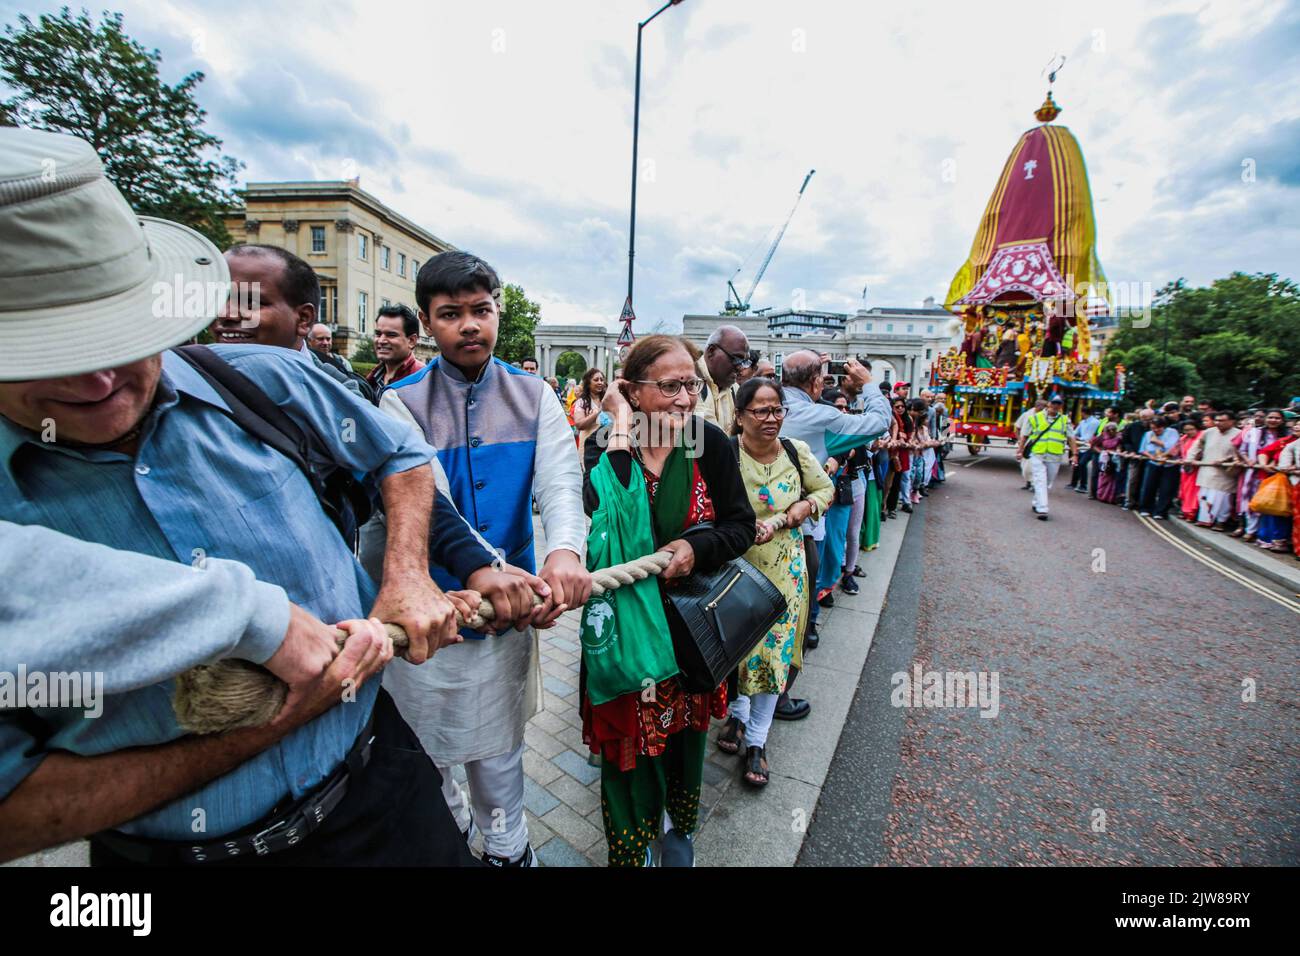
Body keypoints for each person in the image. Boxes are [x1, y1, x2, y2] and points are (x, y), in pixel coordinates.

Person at [0, 126, 476, 866]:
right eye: (50, 355)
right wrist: (276, 720)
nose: (98, 382)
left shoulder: (265, 379)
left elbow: (403, 455)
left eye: (118, 337)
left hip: (381, 798)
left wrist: (409, 572)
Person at [368, 251, 590, 868]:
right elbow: (427, 507)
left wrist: (566, 551)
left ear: (497, 313)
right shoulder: (399, 402)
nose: (469, 325)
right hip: (429, 611)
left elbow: (560, 483)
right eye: (451, 314)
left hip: (509, 611)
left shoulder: (535, 393)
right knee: (425, 746)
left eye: (481, 310)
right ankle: (452, 827)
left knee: (498, 748)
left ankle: (508, 849)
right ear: (426, 322)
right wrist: (492, 576)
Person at [579, 334, 754, 866]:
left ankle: (677, 829)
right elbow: (612, 517)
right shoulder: (603, 448)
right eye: (670, 387)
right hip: (629, 630)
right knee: (629, 747)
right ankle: (631, 848)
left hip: (690, 633)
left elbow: (740, 527)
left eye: (692, 386)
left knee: (683, 739)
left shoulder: (709, 443)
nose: (685, 400)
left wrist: (695, 548)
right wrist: (621, 428)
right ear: (630, 391)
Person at [717, 377, 833, 787]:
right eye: (760, 411)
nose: (771, 419)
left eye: (777, 409)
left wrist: (805, 505)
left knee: (773, 656)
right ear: (740, 415)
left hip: (786, 573)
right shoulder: (725, 455)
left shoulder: (796, 452)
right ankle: (736, 717)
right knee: (737, 654)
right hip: (734, 573)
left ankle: (758, 742)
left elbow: (825, 489)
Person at [779, 349, 890, 712]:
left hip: (755, 527)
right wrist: (868, 386)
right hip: (799, 530)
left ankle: (740, 709)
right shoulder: (821, 417)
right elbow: (877, 424)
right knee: (793, 616)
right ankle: (776, 696)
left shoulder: (759, 405)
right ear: (816, 383)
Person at [211, 244, 373, 401]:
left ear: (304, 319)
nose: (226, 314)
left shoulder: (341, 399)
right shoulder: (191, 379)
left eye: (250, 302)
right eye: (219, 299)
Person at [1017, 395, 1078, 520]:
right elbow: (1025, 436)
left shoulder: (1065, 420)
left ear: (1061, 406)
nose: (1056, 406)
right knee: (1040, 480)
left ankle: (1037, 502)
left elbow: (1071, 438)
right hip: (1037, 453)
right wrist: (1020, 450)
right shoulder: (1035, 418)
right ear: (1048, 404)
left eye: (1059, 404)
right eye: (1054, 403)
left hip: (1054, 455)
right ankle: (1043, 509)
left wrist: (1075, 454)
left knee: (1048, 481)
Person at [1231, 409, 1285, 541]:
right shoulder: (1255, 432)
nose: (1273, 420)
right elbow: (1242, 450)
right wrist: (1248, 460)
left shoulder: (1285, 436)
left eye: (1277, 418)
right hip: (1254, 471)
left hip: (1275, 473)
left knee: (1269, 501)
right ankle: (1250, 530)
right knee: (1251, 499)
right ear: (1266, 419)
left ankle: (1263, 533)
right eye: (1271, 417)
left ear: (1282, 421)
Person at [695, 324, 750, 433]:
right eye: (735, 358)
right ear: (711, 351)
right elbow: (704, 438)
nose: (740, 367)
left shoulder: (734, 388)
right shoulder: (688, 384)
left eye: (744, 362)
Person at [1192, 410, 1241, 530]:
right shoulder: (1209, 432)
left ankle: (1220, 522)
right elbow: (1197, 446)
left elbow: (1241, 453)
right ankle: (1204, 520)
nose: (1218, 423)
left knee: (1222, 498)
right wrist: (1190, 458)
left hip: (1225, 473)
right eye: (1217, 420)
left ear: (1232, 421)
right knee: (1205, 496)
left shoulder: (1240, 434)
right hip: (1207, 470)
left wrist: (1227, 459)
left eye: (1222, 420)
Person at [1253, 425, 1297, 553]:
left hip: (1293, 481)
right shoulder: (1285, 441)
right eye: (1297, 424)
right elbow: (1264, 452)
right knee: (1276, 509)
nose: (1297, 427)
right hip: (1281, 481)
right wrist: (1264, 464)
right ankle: (1275, 540)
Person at [367, 303, 426, 392]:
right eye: (378, 334)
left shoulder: (422, 380)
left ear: (411, 341)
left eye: (391, 335)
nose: (381, 341)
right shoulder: (374, 378)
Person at [1136, 415, 1181, 519]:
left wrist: (1157, 442)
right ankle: (1145, 508)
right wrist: (1151, 456)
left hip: (1169, 464)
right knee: (1149, 486)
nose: (1155, 430)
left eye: (1158, 428)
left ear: (1164, 427)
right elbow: (1142, 449)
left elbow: (1172, 447)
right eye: (1153, 428)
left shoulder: (1172, 432)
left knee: (1166, 488)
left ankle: (1160, 512)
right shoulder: (1148, 434)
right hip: (1153, 462)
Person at [1120, 408, 1155, 510]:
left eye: (1148, 418)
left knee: (1146, 481)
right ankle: (1129, 501)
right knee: (1132, 480)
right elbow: (1126, 440)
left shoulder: (1154, 427)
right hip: (1135, 457)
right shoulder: (1132, 426)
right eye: (1143, 417)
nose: (1146, 420)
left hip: (1150, 458)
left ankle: (1142, 502)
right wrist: (1131, 452)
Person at [571, 367, 609, 455]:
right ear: (588, 383)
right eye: (596, 380)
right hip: (589, 449)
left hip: (607, 448)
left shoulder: (607, 400)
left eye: (601, 380)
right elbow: (579, 425)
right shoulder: (582, 402)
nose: (600, 382)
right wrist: (596, 413)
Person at [1015, 399, 1048, 490]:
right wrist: (1019, 440)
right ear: (1036, 406)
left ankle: (1034, 484)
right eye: (1040, 406)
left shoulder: (1047, 417)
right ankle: (1029, 482)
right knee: (1025, 465)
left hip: (1039, 444)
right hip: (1026, 443)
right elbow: (1017, 427)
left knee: (1035, 464)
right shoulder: (1027, 415)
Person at [1174, 419, 1203, 520]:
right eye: (1186, 430)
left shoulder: (1202, 437)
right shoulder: (1184, 438)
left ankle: (1191, 513)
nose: (1189, 432)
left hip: (1196, 469)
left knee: (1193, 491)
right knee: (1184, 490)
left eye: (1191, 429)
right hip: (1185, 468)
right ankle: (1185, 510)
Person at [1092, 422, 1124, 504]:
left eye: (1114, 430)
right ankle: (1100, 495)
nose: (1112, 431)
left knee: (1112, 479)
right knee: (1103, 476)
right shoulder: (1102, 436)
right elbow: (1094, 445)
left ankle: (1110, 498)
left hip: (1113, 460)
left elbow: (1119, 447)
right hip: (1104, 459)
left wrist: (1117, 452)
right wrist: (1102, 452)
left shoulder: (1119, 437)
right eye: (1110, 430)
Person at [1071, 407, 1101, 492]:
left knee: (1082, 463)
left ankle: (1083, 485)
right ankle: (1074, 483)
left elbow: (1089, 436)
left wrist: (1079, 438)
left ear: (1083, 412)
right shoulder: (1082, 422)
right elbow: (1075, 432)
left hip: (1089, 446)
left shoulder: (1095, 422)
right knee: (1077, 464)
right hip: (1081, 445)